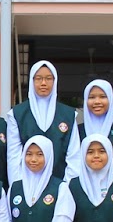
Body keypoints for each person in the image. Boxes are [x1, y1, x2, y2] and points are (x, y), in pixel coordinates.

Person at [7, 61, 76, 189]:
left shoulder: (69, 115)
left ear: (55, 81)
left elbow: (73, 156)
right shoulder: (17, 114)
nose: (43, 83)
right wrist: (18, 188)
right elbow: (14, 156)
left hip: (60, 186)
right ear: (32, 81)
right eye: (38, 78)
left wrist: (66, 188)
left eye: (48, 78)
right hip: (27, 187)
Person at [68, 79, 113, 187]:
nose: (97, 101)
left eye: (102, 96)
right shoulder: (76, 132)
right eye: (92, 97)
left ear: (110, 99)